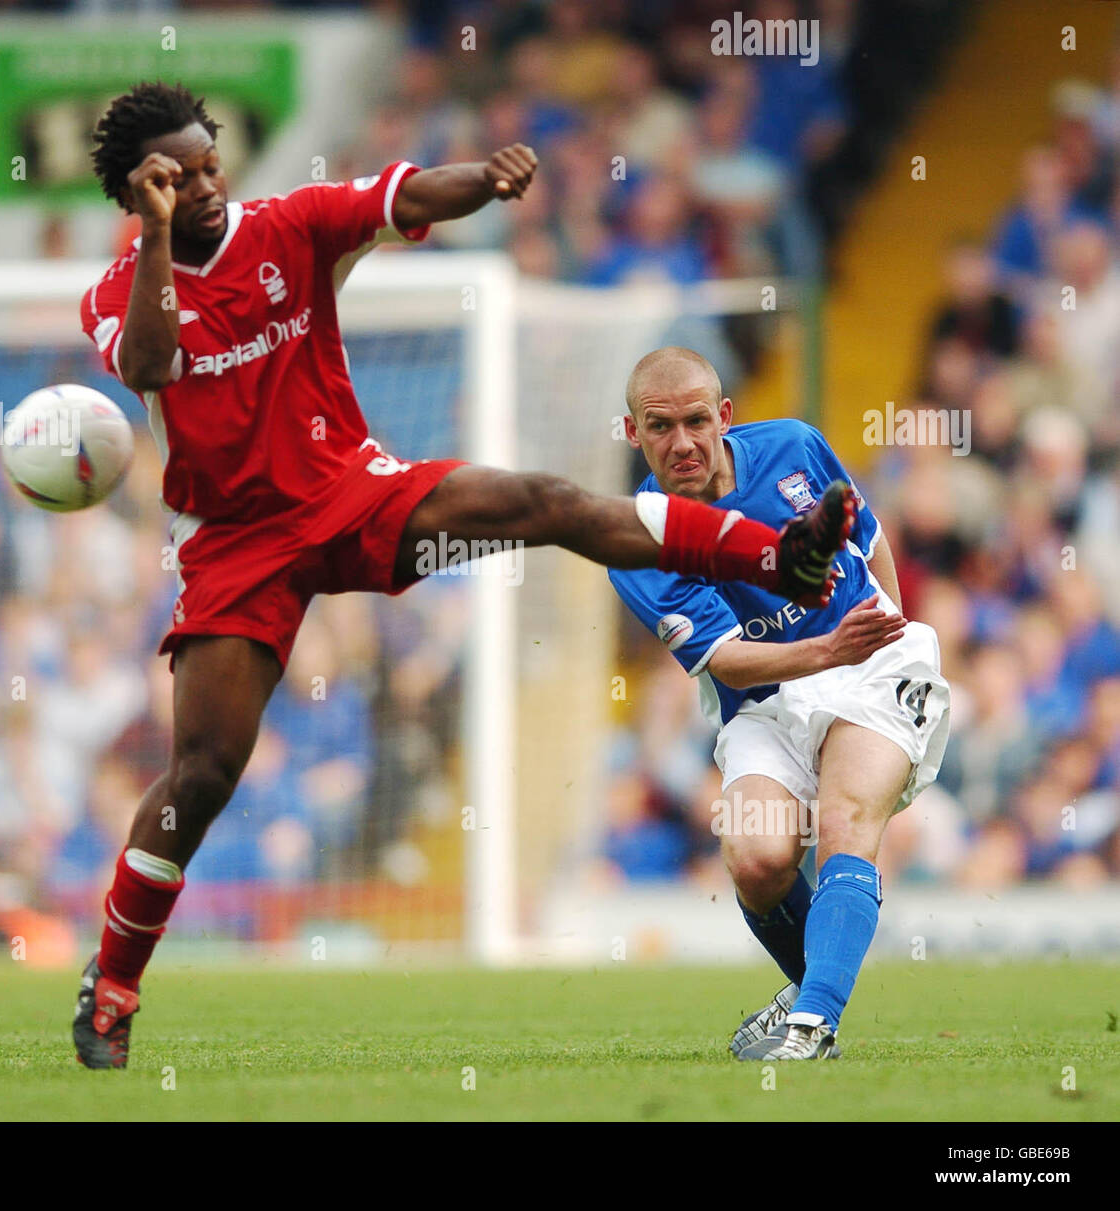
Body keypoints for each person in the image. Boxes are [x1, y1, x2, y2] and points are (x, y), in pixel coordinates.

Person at [72, 82, 854, 1069]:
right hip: (235, 548)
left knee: (546, 501)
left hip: (354, 494)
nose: (204, 187)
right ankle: (112, 982)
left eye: (210, 164)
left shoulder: (289, 226)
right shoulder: (116, 291)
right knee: (203, 773)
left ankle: (774, 554)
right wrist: (153, 236)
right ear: (139, 191)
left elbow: (399, 197)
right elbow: (148, 363)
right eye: (174, 178)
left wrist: (482, 181)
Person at [609, 347, 951, 1061]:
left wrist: (890, 630)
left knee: (844, 818)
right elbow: (726, 658)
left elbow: (871, 540)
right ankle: (815, 993)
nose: (682, 442)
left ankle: (809, 1027)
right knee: (757, 858)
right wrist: (831, 650)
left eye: (696, 420)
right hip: (764, 700)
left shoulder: (793, 446)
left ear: (724, 415)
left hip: (872, 669)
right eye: (660, 426)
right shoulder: (640, 539)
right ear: (633, 432)